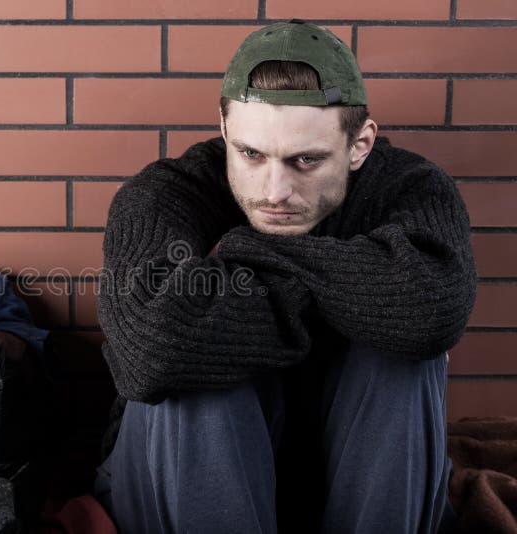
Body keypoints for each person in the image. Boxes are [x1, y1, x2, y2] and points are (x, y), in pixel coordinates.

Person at [93, 20, 476, 534]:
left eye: (306, 161)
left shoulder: (411, 188)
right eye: (251, 155)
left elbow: (430, 312)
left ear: (359, 144)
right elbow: (151, 353)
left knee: (403, 353)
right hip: (180, 481)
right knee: (194, 360)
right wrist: (355, 289)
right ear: (225, 130)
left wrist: (249, 252)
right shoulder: (164, 195)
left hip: (356, 479)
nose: (274, 192)